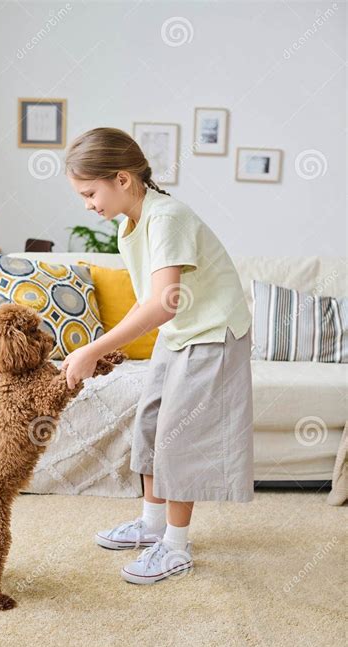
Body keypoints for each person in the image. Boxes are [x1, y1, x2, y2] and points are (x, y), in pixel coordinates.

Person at [62, 127, 254, 585]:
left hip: (211, 333)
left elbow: (165, 301)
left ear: (122, 179)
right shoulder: (132, 224)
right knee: (150, 421)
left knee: (177, 437)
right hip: (180, 333)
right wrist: (105, 347)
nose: (88, 204)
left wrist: (94, 348)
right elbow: (150, 300)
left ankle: (175, 546)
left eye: (90, 193)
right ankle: (151, 525)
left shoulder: (167, 217)